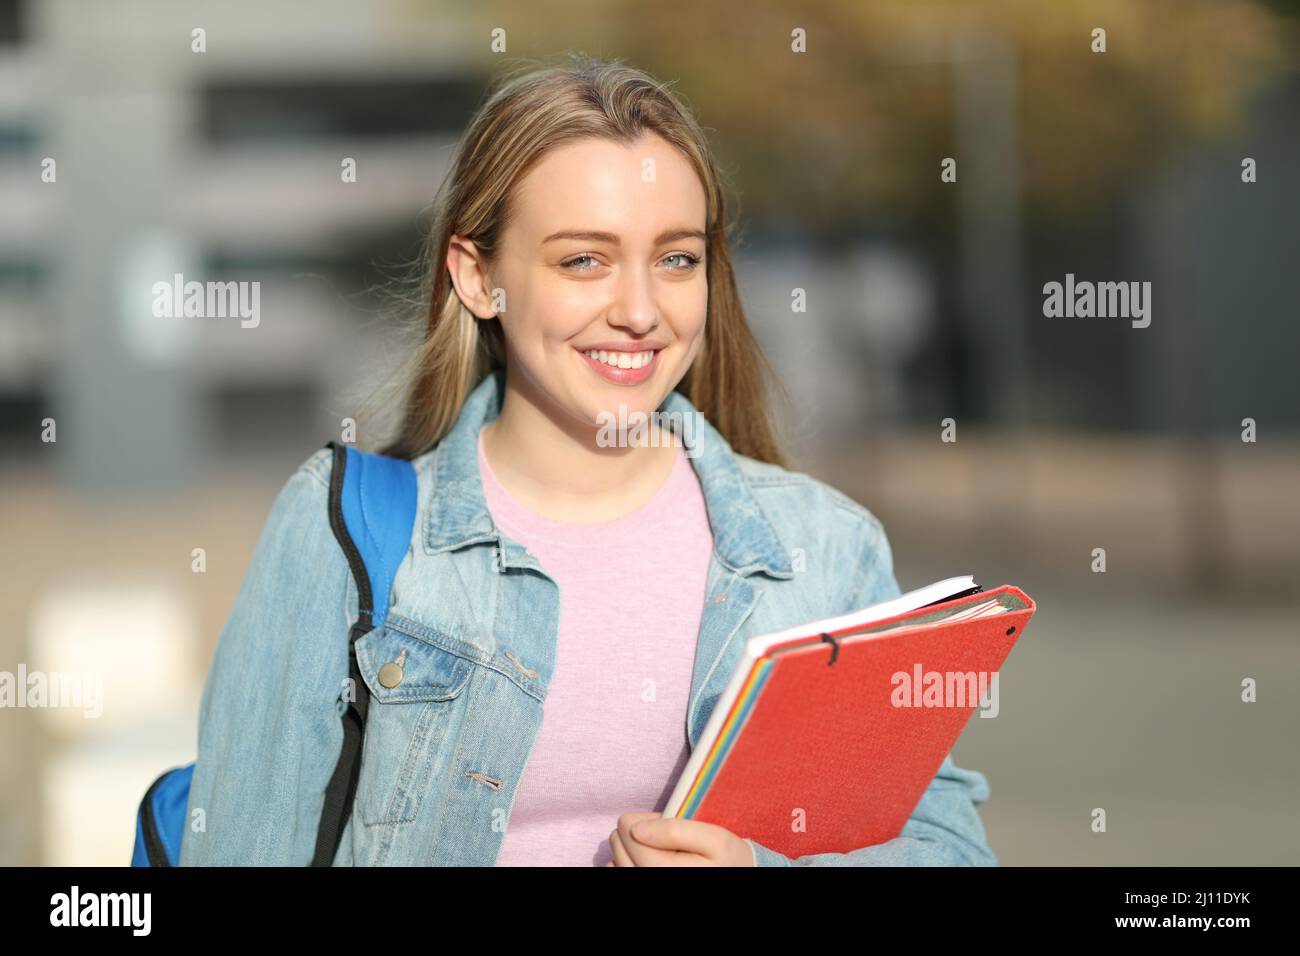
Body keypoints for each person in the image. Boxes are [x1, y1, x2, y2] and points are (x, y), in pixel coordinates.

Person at [180, 54, 997, 867]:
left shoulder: (826, 548)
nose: (640, 311)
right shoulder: (344, 535)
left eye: (676, 258)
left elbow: (951, 852)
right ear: (477, 277)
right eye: (583, 260)